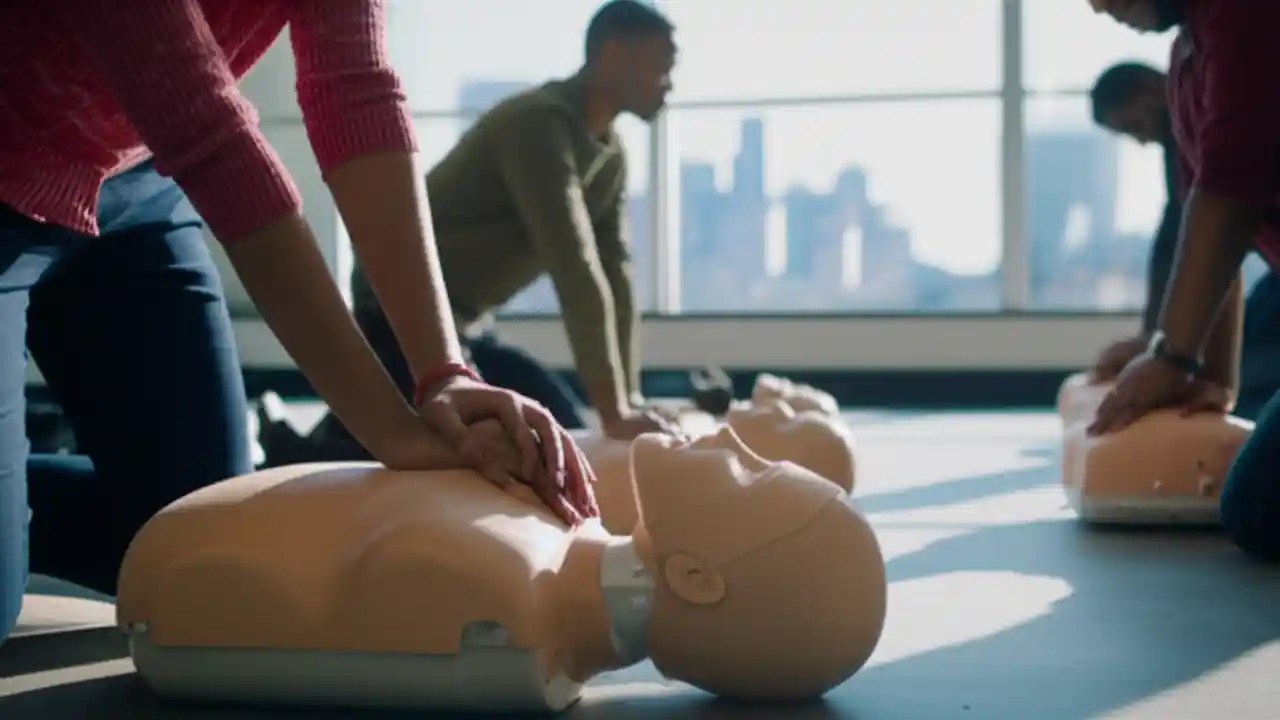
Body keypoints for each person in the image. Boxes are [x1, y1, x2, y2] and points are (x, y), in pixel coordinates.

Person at [0, 0, 597, 644]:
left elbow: (356, 88)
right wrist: (390, 429)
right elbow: (210, 133)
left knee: (201, 555)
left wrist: (444, 375)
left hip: (133, 180)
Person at [259, 0, 683, 468]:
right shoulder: (538, 126)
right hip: (399, 314)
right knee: (469, 448)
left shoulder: (611, 157)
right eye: (659, 69)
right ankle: (284, 444)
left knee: (561, 422)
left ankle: (310, 430)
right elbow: (575, 268)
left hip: (466, 328)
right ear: (614, 53)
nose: (668, 85)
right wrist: (615, 411)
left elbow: (616, 276)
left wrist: (628, 398)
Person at [1085, 0, 1280, 561]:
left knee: (1259, 506)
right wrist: (1214, 376)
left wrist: (1171, 357)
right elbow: (1205, 235)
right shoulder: (1185, 66)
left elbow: (1227, 201)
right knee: (1251, 503)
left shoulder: (1242, 16)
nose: (1096, 6)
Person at [1088, 60, 1280, 421]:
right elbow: (1174, 240)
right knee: (1250, 344)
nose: (1142, 140)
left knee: (1254, 365)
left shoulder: (1200, 114)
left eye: (1134, 125)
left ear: (1150, 88)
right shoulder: (1180, 140)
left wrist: (1169, 355)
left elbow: (1216, 239)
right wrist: (1153, 337)